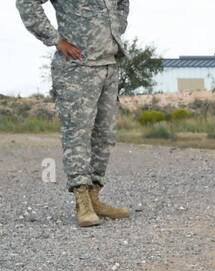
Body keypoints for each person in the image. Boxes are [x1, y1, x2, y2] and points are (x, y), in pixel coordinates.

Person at [17, 0, 132, 228]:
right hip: (77, 68)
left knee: (104, 137)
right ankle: (82, 201)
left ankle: (94, 197)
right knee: (77, 135)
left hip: (108, 65)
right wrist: (56, 40)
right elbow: (26, 3)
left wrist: (115, 30)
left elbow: (122, 3)